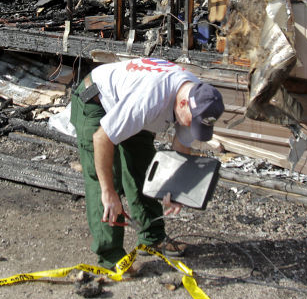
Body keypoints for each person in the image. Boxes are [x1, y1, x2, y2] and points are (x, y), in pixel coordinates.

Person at [69, 57, 225, 272]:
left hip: (129, 103)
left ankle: (152, 237)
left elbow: (181, 148)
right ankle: (111, 257)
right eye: (192, 122)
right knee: (105, 180)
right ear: (182, 103)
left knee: (144, 167)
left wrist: (175, 190)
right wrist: (109, 192)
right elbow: (101, 138)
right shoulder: (149, 99)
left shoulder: (198, 99)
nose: (192, 127)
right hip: (95, 99)